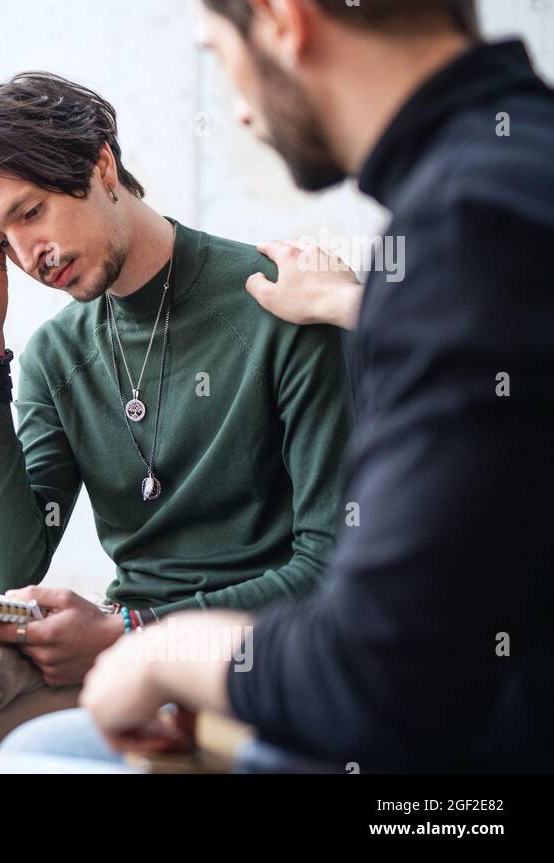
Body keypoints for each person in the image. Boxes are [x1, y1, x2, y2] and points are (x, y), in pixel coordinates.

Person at [0, 72, 355, 773]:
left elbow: (327, 566)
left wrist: (132, 627)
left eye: (31, 212)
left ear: (102, 165)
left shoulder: (283, 305)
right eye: (1, 241)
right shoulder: (58, 353)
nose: (31, 256)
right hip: (110, 646)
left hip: (235, 660)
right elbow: (12, 562)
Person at [60, 0, 554, 773]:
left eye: (221, 55)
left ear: (283, 21)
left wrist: (162, 649)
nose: (242, 113)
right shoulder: (516, 171)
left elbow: (382, 673)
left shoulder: (468, 224)